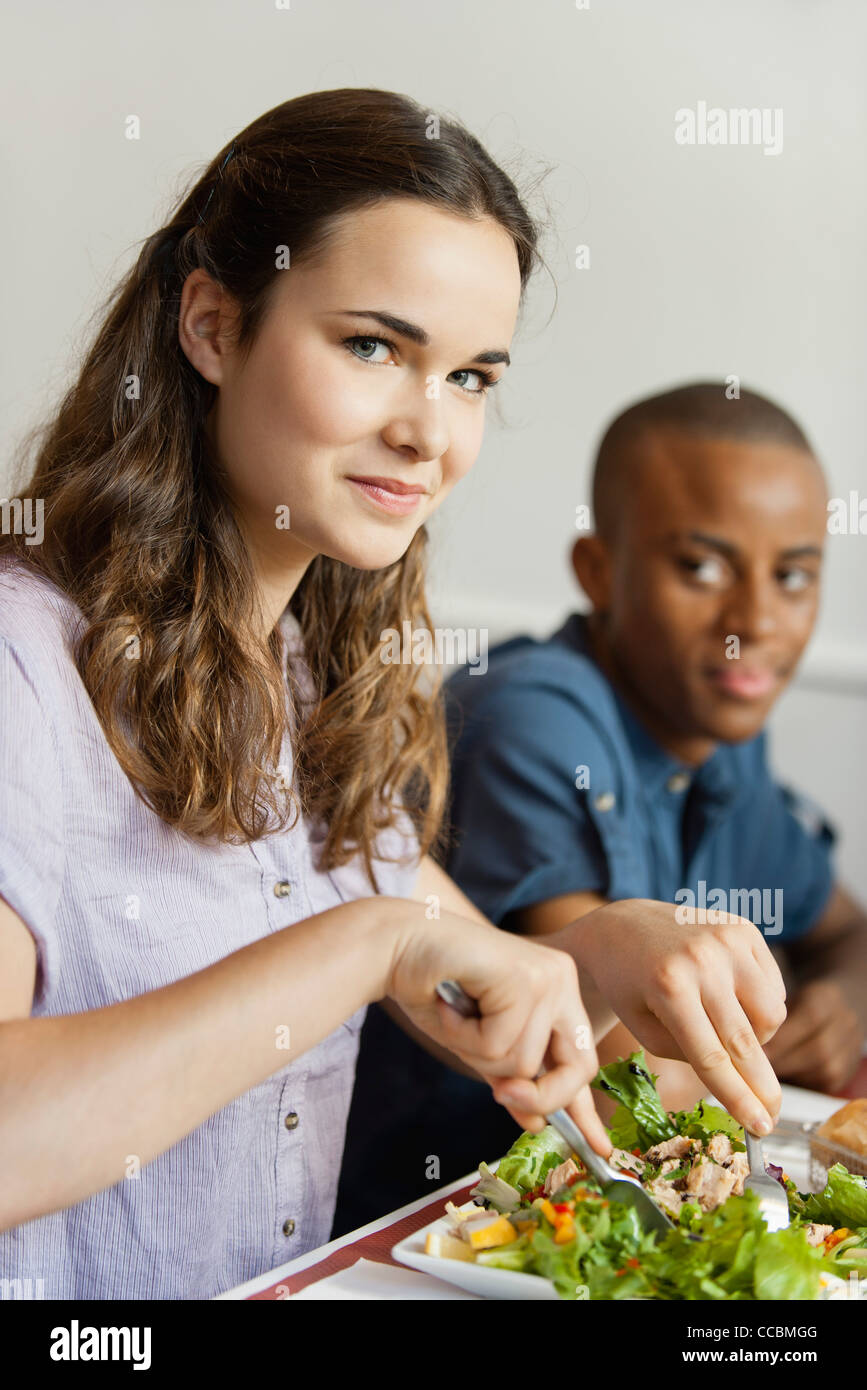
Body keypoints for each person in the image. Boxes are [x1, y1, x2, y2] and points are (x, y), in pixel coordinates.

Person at [0, 94, 784, 1299]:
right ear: (212, 325)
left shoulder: (311, 667)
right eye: (374, 346)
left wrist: (598, 947)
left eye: (471, 376)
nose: (431, 432)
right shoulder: (19, 658)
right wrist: (373, 942)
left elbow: (452, 968)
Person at [335, 381, 865, 1232]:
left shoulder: (717, 730)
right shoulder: (531, 720)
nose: (756, 620)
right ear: (598, 572)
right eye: (700, 566)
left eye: (794, 576)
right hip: (431, 1230)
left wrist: (839, 1000)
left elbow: (848, 931)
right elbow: (625, 1086)